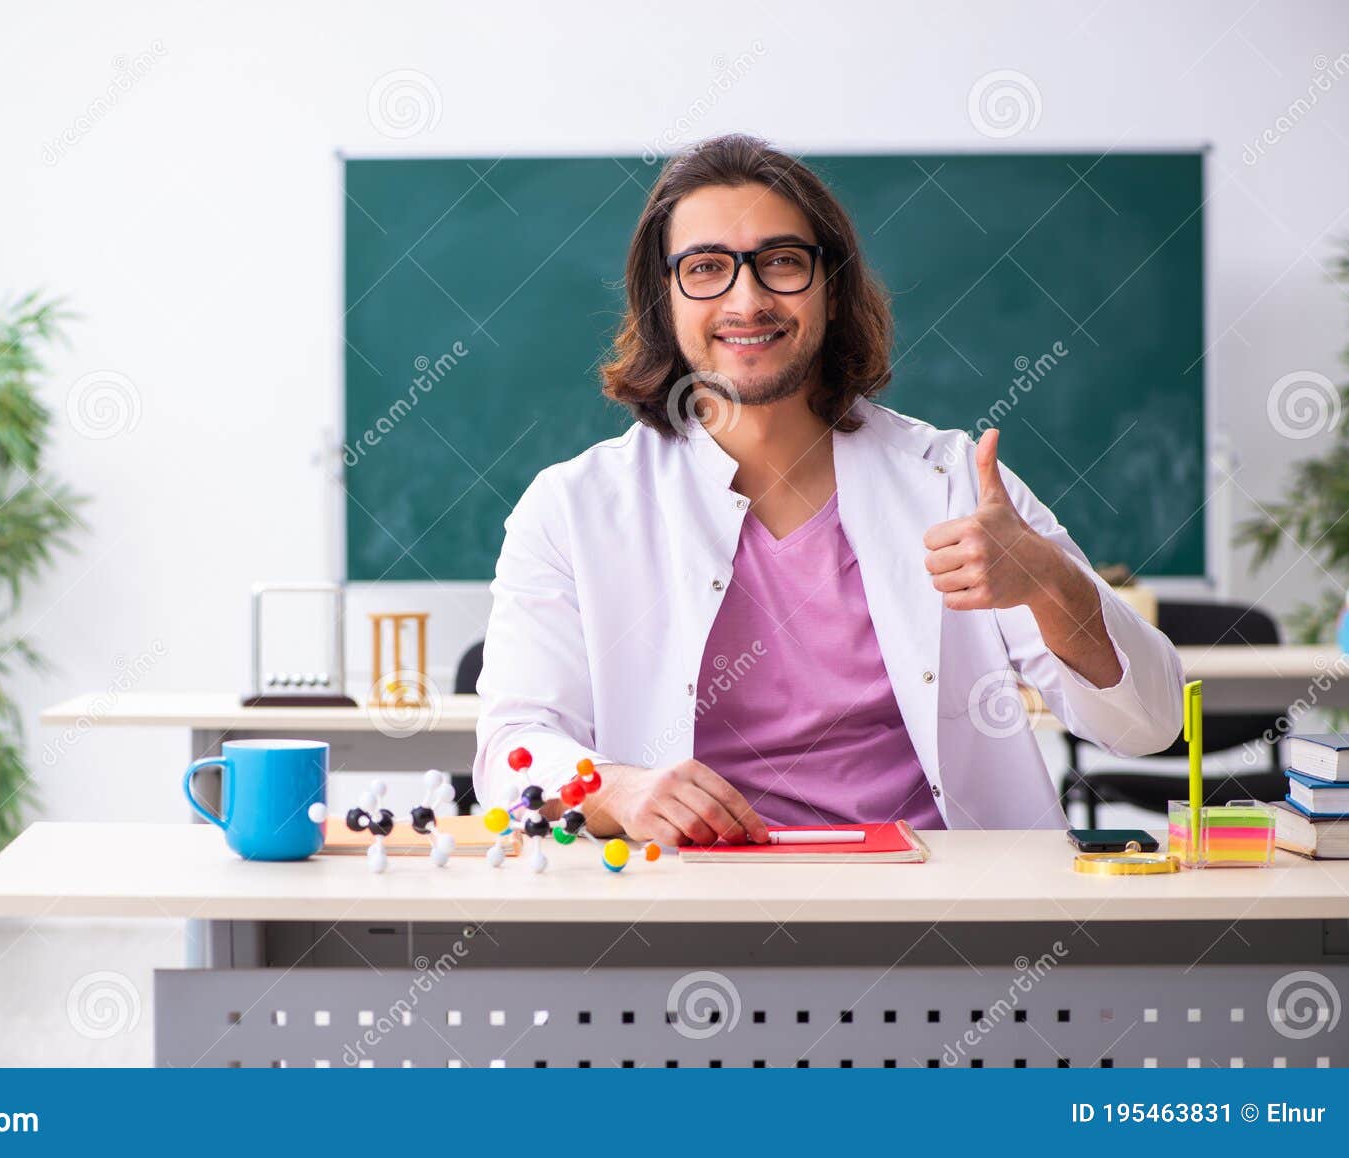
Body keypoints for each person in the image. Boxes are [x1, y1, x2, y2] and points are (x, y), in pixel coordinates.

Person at [472, 133, 1184, 845]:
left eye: (781, 263)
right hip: (694, 904)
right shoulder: (574, 509)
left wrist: (1051, 585)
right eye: (707, 268)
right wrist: (623, 791)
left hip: (943, 903)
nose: (746, 300)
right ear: (665, 300)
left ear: (833, 290)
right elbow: (512, 749)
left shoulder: (954, 481)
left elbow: (1149, 724)